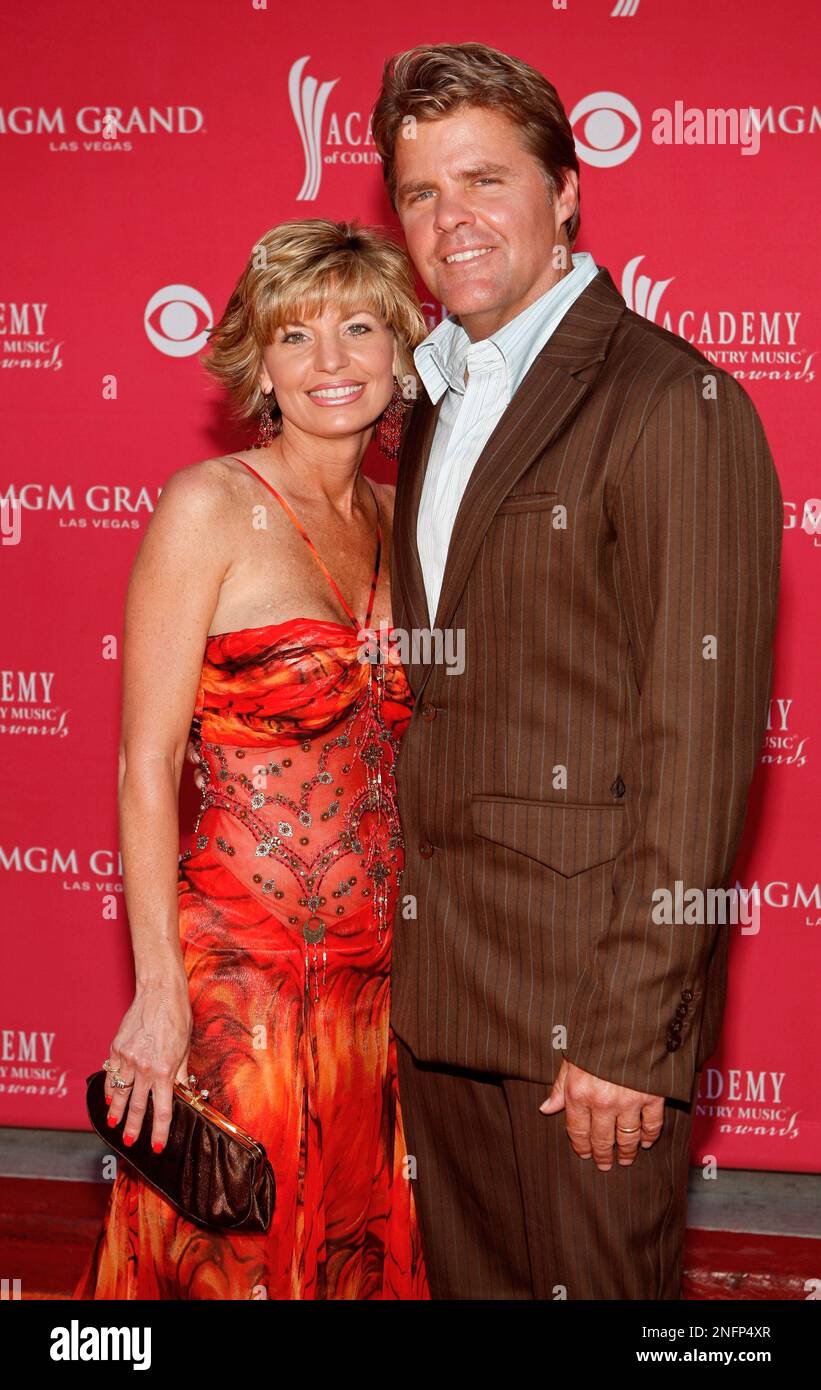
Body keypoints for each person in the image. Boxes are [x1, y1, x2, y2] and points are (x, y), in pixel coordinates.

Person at [368, 42, 783, 1299]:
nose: (452, 222)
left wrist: (627, 1036)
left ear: (565, 192)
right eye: (421, 194)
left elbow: (698, 745)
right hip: (443, 1002)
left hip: (583, 1020)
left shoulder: (670, 404)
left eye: (484, 180)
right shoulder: (434, 400)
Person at [73, 218, 430, 1300]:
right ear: (258, 363)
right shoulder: (208, 508)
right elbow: (145, 768)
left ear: (400, 349)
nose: (331, 363)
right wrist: (157, 992)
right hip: (239, 974)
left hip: (381, 987)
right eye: (297, 336)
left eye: (359, 327)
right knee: (233, 1256)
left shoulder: (403, 517)